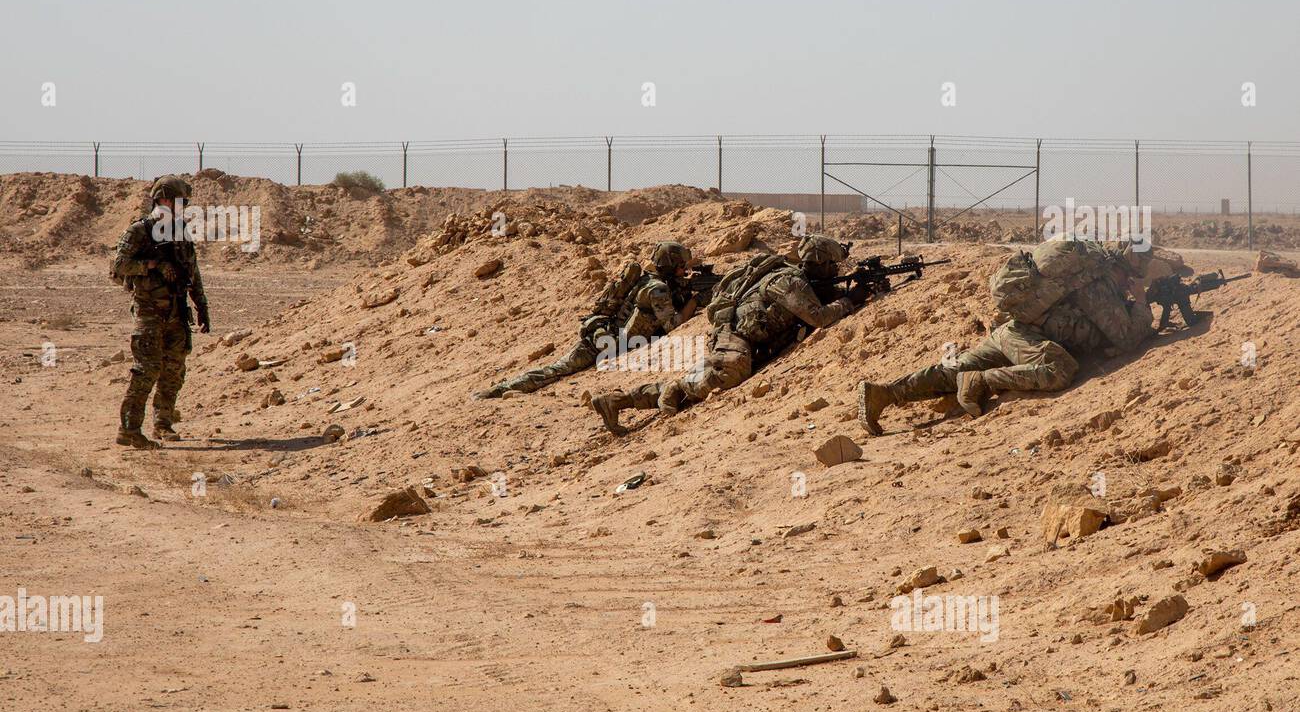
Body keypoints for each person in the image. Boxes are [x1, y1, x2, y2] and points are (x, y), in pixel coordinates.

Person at [857, 242, 1153, 435]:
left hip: (1011, 330)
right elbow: (1126, 338)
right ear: (1119, 268)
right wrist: (1140, 303)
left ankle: (882, 393)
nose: (1128, 284)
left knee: (953, 371)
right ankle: (983, 381)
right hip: (1027, 339)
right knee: (1059, 369)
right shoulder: (1096, 285)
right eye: (1128, 277)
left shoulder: (1083, 275)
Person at [590, 234, 867, 435]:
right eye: (833, 265)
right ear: (822, 263)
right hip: (735, 337)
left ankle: (618, 400)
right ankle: (676, 388)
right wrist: (850, 300)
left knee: (696, 386)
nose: (836, 270)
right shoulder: (790, 281)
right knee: (728, 374)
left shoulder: (801, 279)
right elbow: (817, 318)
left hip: (743, 338)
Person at [473, 241, 696, 398]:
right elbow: (673, 324)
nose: (684, 269)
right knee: (556, 370)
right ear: (672, 265)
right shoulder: (657, 290)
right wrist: (694, 302)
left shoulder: (649, 279)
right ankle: (497, 391)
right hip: (605, 344)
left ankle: (498, 390)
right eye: (681, 265)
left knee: (557, 369)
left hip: (607, 334)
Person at [110, 175, 210, 448]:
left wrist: (201, 305)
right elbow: (118, 266)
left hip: (177, 311)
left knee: (174, 370)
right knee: (147, 369)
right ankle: (129, 429)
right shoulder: (139, 231)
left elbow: (192, 271)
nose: (184, 206)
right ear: (164, 199)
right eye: (181, 201)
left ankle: (163, 424)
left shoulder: (180, 231)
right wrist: (151, 265)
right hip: (149, 312)